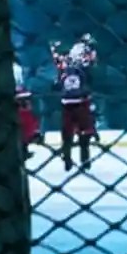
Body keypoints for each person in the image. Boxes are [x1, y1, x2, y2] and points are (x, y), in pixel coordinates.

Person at [50, 33, 98, 171]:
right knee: (74, 135)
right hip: (74, 103)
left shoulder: (72, 66)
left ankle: (75, 160)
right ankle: (74, 160)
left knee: (77, 135)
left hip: (76, 102)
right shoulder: (71, 66)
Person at [13, 62, 43, 160]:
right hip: (21, 94)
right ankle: (23, 149)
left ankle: (22, 149)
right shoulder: (20, 68)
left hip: (18, 95)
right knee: (25, 120)